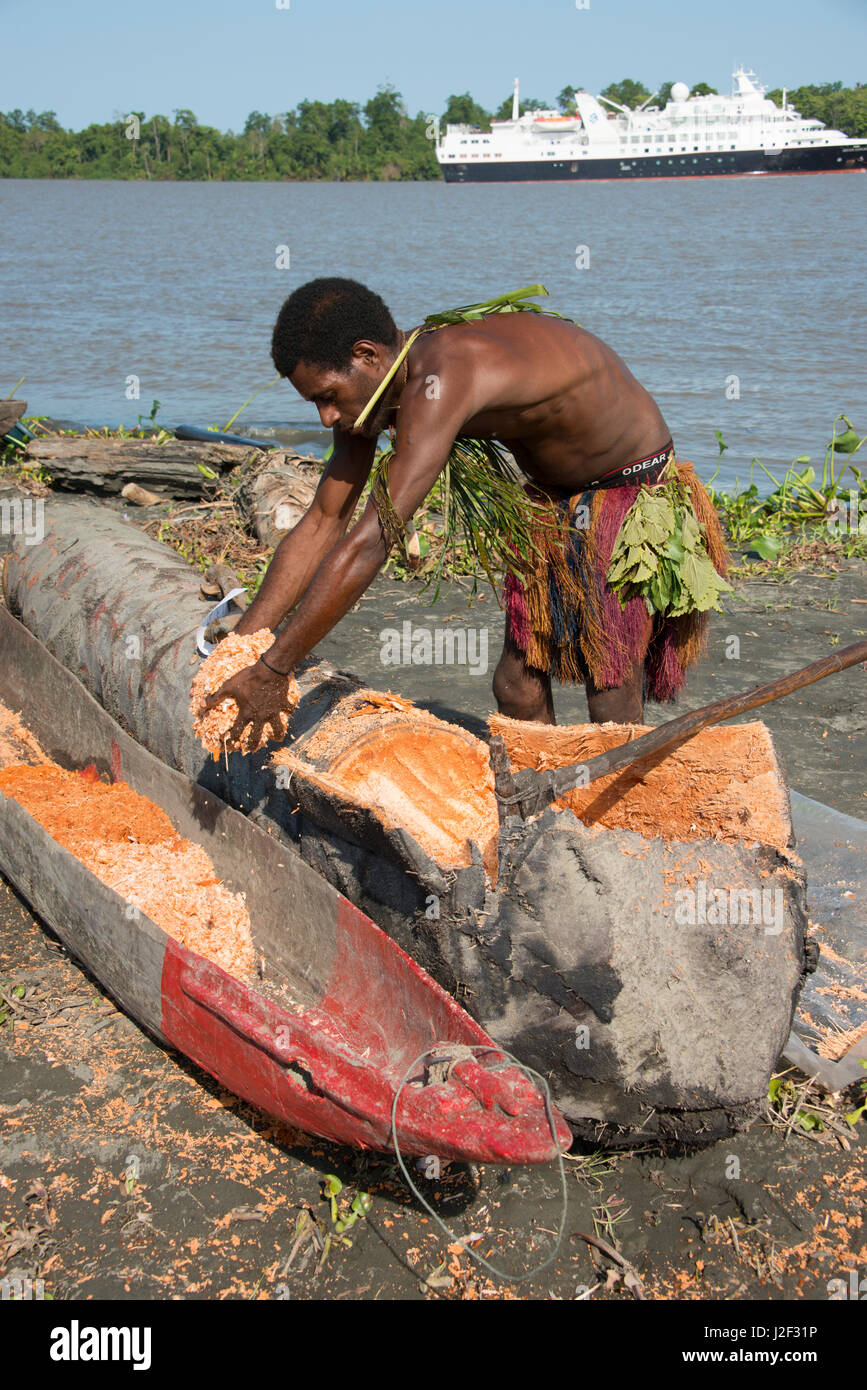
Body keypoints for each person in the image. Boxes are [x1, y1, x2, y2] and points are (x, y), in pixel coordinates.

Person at [204, 277, 728, 746]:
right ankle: (544, 805)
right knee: (516, 685)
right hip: (552, 496)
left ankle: (613, 829)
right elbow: (323, 520)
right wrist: (248, 644)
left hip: (627, 487)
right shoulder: (375, 393)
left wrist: (275, 669)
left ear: (366, 356)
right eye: (314, 405)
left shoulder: (442, 377)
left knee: (608, 686)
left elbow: (370, 542)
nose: (326, 418)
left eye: (329, 397)